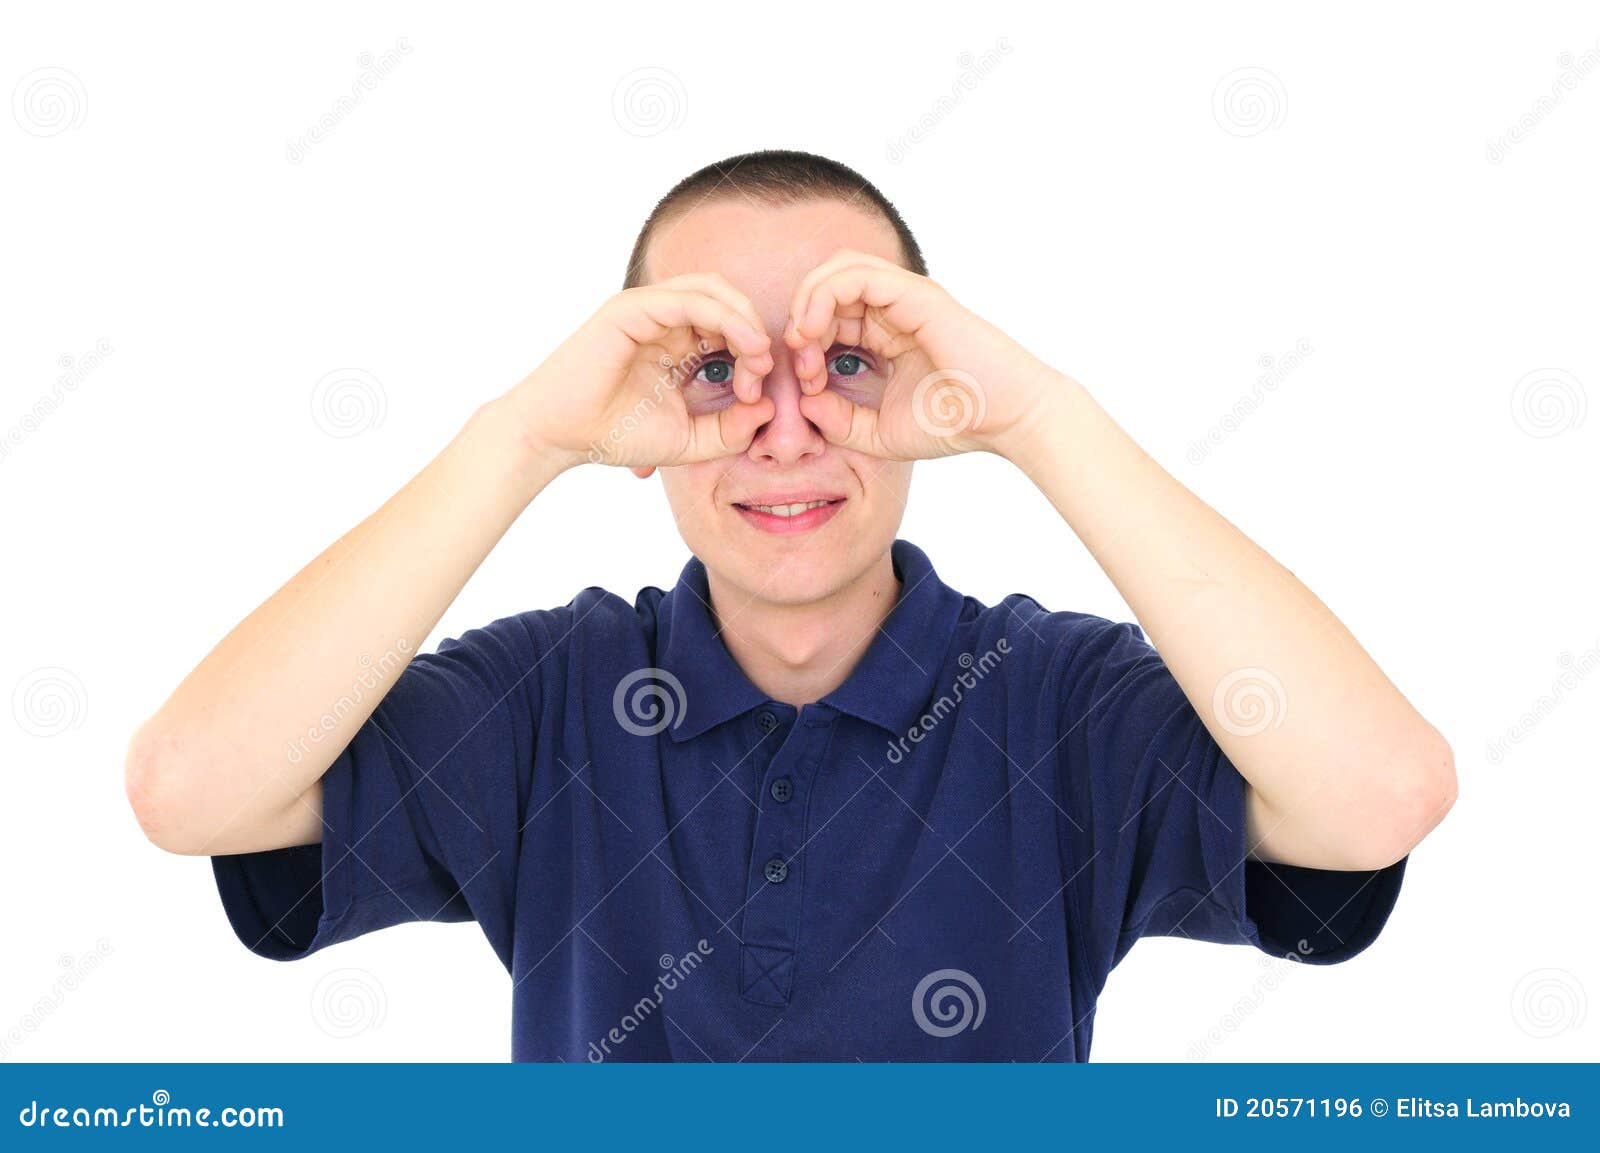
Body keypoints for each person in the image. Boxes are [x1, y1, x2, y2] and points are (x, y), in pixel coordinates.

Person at [125, 149, 1455, 1061]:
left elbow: (1379, 795)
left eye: (846, 364)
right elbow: (191, 790)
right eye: (713, 367)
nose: (783, 430)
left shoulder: (1053, 706)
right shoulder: (550, 700)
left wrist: (1044, 419)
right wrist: (522, 437)